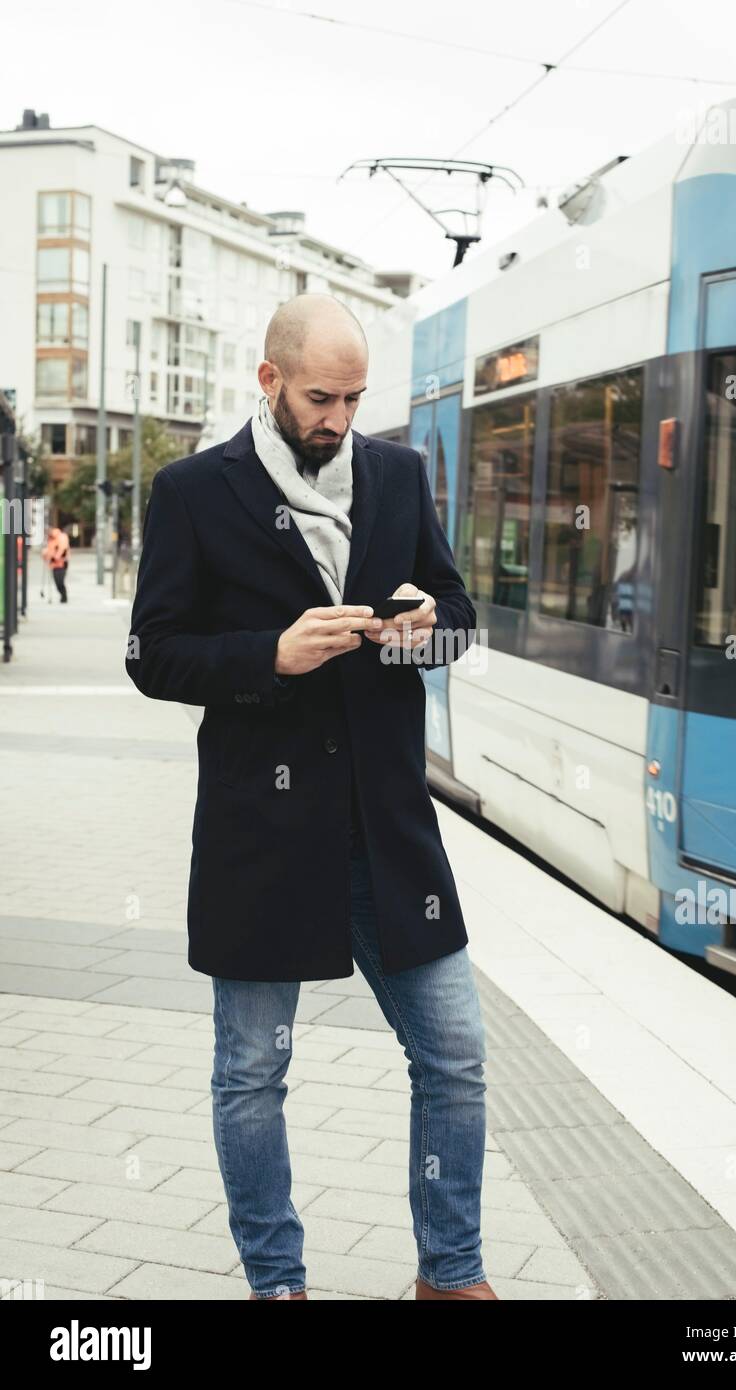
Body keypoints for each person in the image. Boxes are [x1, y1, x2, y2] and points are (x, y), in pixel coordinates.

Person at [125, 293, 497, 1301]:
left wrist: (432, 632)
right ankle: (277, 1284)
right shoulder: (194, 493)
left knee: (455, 1054)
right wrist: (269, 656)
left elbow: (460, 611)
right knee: (252, 1073)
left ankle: (450, 1275)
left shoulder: (397, 474)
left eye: (355, 397)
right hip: (263, 835)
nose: (339, 417)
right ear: (270, 380)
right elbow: (152, 655)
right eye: (322, 397)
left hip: (388, 829)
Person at [42, 524, 70, 602]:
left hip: (62, 563)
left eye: (47, 532)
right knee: (57, 582)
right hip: (54, 565)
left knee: (60, 581)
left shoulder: (62, 537)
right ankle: (62, 596)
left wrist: (56, 557)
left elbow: (62, 548)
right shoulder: (50, 540)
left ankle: (64, 596)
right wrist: (45, 555)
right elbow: (49, 550)